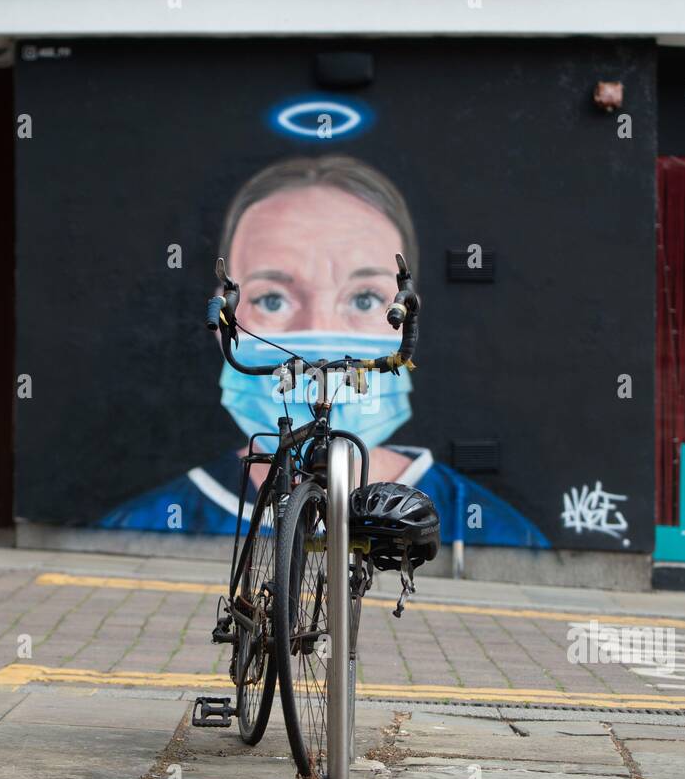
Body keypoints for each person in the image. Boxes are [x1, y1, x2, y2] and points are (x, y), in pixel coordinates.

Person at [99, 155, 548, 548]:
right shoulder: (142, 523)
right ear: (223, 321)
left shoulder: (498, 530)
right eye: (271, 299)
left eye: (366, 299)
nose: (319, 333)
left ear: (409, 319)